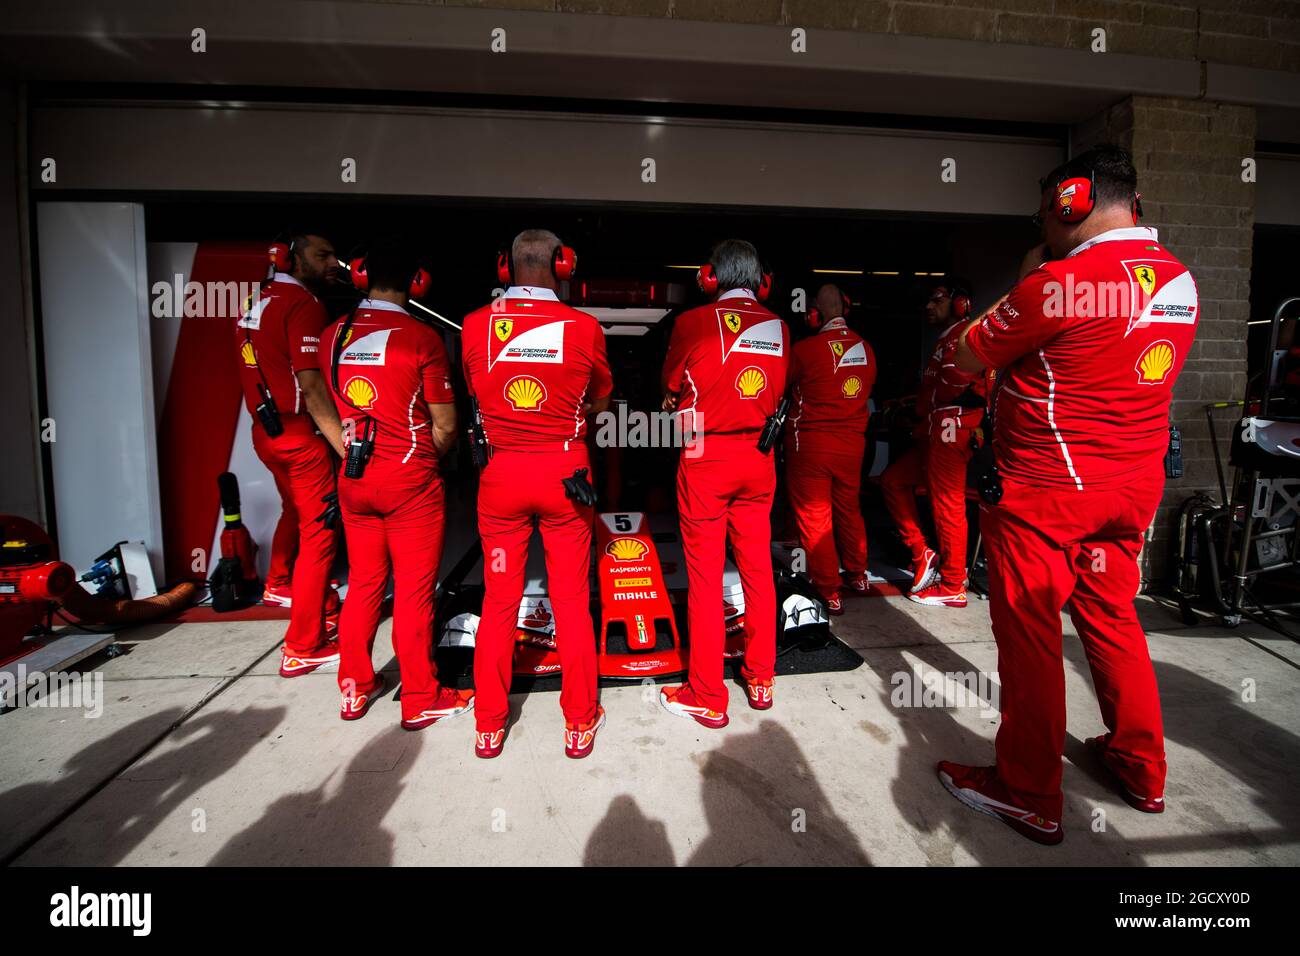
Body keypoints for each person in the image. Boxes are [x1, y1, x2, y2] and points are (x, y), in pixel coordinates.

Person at [938, 145, 1198, 845]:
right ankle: (1142, 770)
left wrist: (1027, 282)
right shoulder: (1181, 279)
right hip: (1129, 491)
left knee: (1029, 639)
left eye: (1044, 215)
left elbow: (966, 354)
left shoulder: (1057, 284)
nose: (1043, 230)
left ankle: (1026, 789)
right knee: (1114, 623)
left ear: (1071, 202)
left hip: (1046, 492)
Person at [461, 229, 613, 759]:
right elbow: (601, 396)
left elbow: (477, 392)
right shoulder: (585, 327)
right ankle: (578, 721)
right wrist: (573, 411)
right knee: (571, 602)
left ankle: (488, 723)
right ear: (563, 264)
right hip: (564, 477)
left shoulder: (475, 325)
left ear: (505, 267)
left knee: (499, 600)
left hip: (501, 480)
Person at [320, 238, 471, 730]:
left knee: (363, 583)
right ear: (417, 282)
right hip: (409, 481)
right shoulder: (420, 337)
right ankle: (421, 697)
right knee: (412, 592)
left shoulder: (331, 335)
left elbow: (317, 402)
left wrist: (345, 450)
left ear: (361, 275)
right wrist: (423, 460)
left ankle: (355, 689)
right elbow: (446, 425)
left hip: (354, 478)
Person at [660, 239, 790, 726]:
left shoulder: (691, 323)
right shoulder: (779, 326)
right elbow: (778, 389)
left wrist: (679, 402)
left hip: (706, 457)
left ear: (709, 277)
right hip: (759, 458)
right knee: (757, 570)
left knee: (705, 577)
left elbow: (671, 388)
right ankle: (760, 677)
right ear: (762, 282)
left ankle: (708, 694)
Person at [235, 229, 345, 677]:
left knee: (296, 512)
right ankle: (302, 645)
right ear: (294, 260)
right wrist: (340, 440)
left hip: (265, 432)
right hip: (299, 435)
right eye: (323, 255)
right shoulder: (303, 304)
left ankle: (280, 583)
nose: (332, 263)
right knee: (321, 533)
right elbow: (311, 382)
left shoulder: (254, 300)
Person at [880, 276, 992, 608]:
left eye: (938, 299)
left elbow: (953, 387)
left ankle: (953, 583)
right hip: (934, 430)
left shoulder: (966, 335)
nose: (929, 306)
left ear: (960, 304)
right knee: (893, 481)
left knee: (947, 502)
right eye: (929, 300)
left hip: (951, 429)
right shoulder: (946, 339)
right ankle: (922, 552)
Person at [784, 283, 875, 615]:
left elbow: (780, 385)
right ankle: (858, 575)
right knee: (849, 510)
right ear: (845, 308)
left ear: (814, 315)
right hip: (851, 447)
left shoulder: (805, 350)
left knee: (815, 517)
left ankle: (828, 590)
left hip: (810, 447)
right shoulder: (867, 349)